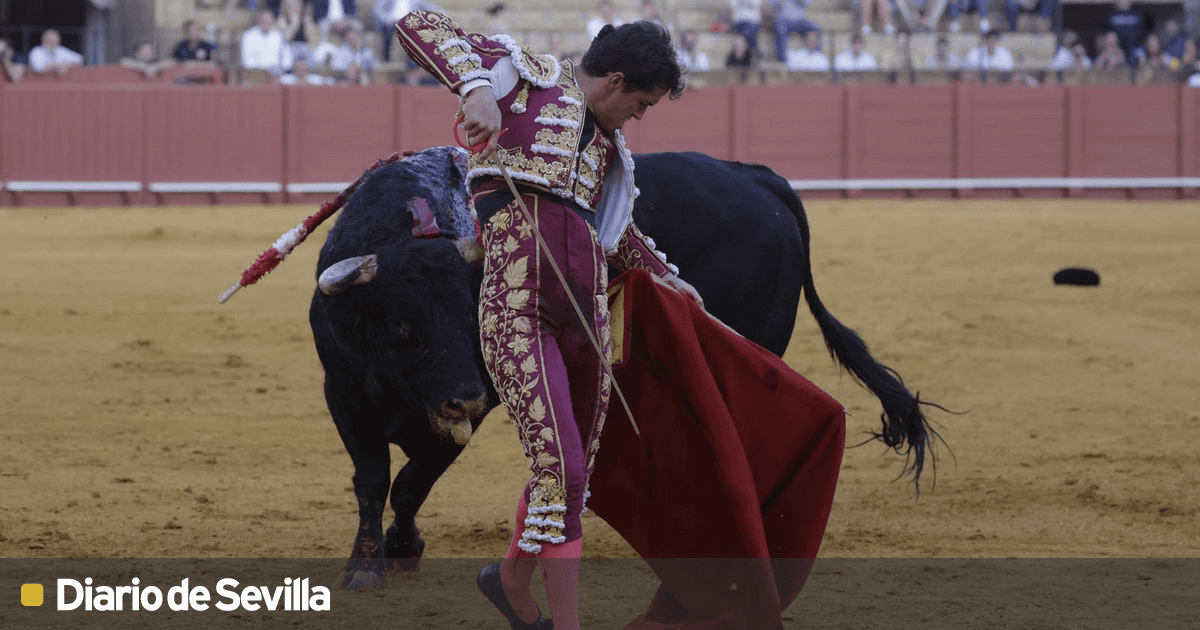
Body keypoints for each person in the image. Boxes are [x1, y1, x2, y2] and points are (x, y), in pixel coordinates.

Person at [394, 10, 701, 630]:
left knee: (574, 472)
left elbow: (615, 236)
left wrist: (670, 280)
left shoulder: (608, 151)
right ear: (614, 82)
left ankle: (510, 579)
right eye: (640, 104)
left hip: (585, 316)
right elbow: (416, 22)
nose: (637, 119)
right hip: (519, 309)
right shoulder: (522, 78)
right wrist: (475, 88)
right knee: (561, 469)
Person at [372, 0, 443, 61]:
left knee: (416, 33)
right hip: (390, 22)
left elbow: (430, 7)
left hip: (408, 22)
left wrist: (438, 11)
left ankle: (413, 61)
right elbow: (377, 10)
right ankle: (386, 58)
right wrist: (386, 19)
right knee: (387, 30)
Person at [1105, 0, 1152, 67]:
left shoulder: (1139, 15)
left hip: (1136, 47)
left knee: (1142, 61)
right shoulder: (1110, 17)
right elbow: (1107, 35)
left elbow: (1145, 32)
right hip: (1118, 49)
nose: (1123, 2)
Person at [242, 9, 290, 74]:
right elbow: (246, 59)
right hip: (256, 72)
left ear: (272, 21)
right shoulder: (249, 35)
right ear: (258, 21)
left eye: (268, 20)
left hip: (276, 72)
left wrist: (285, 69)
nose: (266, 22)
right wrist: (255, 71)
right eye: (263, 20)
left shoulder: (278, 35)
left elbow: (286, 54)